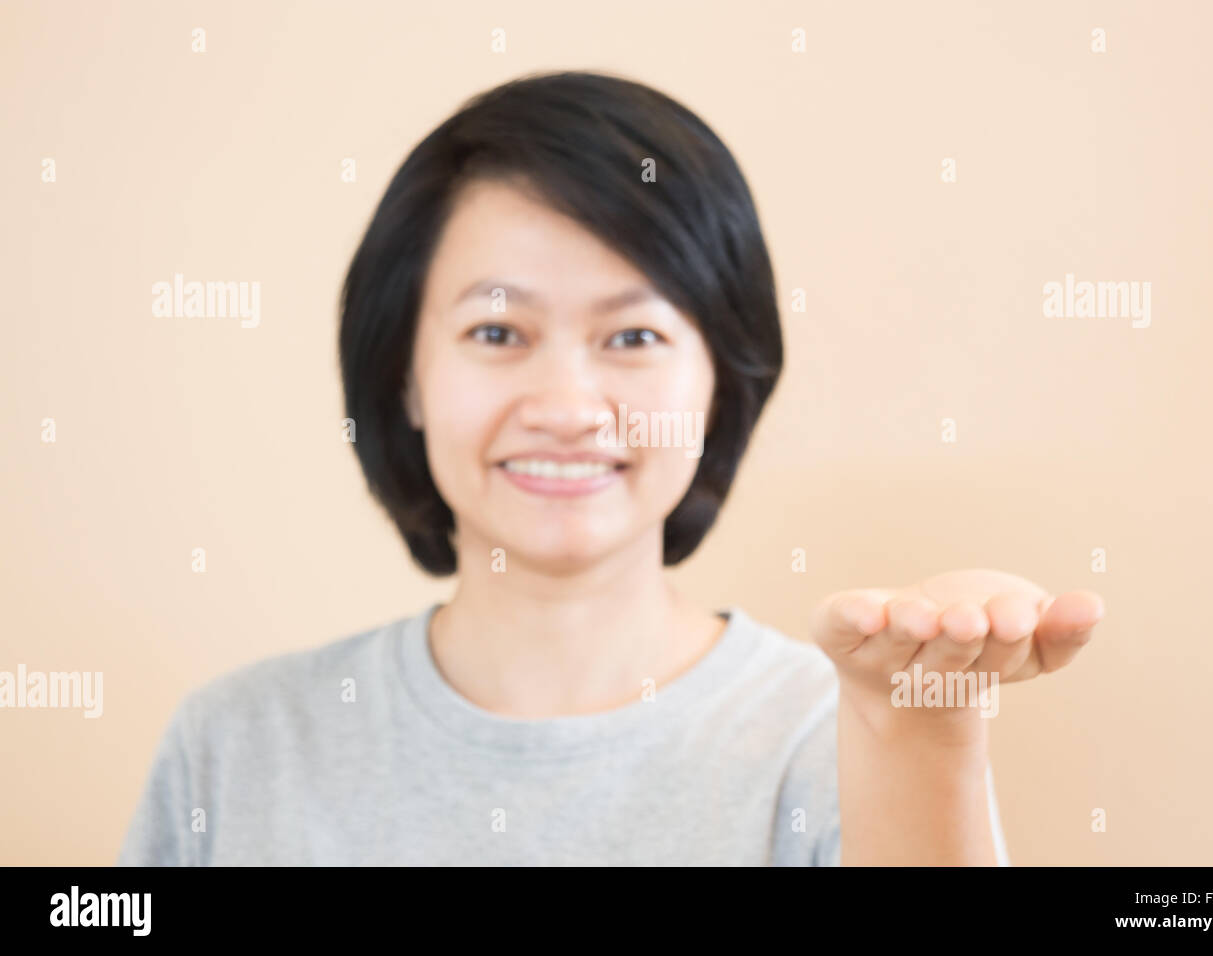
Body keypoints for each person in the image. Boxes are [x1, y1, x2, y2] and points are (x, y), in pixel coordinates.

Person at [117, 70, 1103, 866]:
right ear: (404, 376)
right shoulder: (235, 748)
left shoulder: (837, 731)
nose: (566, 407)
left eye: (631, 334)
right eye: (496, 329)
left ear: (719, 382)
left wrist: (920, 734)